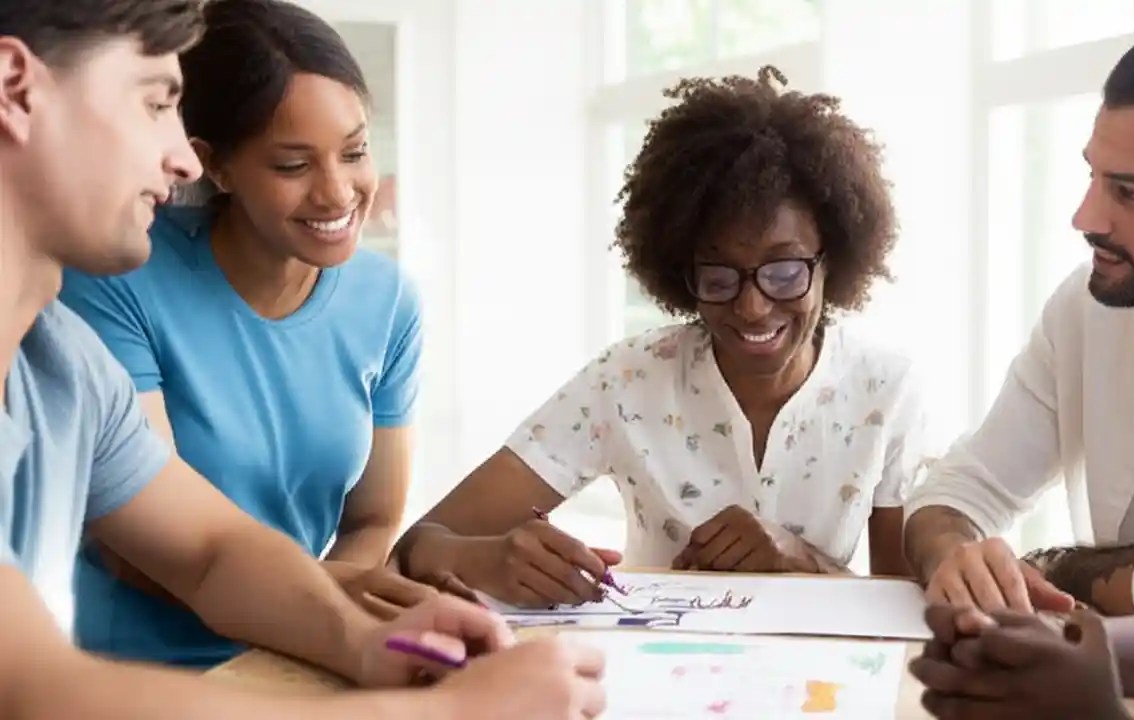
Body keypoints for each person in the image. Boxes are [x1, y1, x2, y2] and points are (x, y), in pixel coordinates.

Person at [0, 1, 603, 718]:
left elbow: (212, 550)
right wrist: (450, 712)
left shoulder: (63, 367)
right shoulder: (109, 318)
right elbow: (30, 689)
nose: (183, 158)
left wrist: (362, 640)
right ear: (15, 86)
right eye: (156, 101)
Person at [393, 66, 934, 608]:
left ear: (832, 260)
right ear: (681, 271)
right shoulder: (630, 379)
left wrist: (801, 560)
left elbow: (906, 611)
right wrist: (488, 559)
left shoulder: (884, 388)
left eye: (784, 272)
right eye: (719, 278)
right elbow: (416, 550)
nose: (751, 306)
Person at [909, 20, 1134, 720]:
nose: (1084, 216)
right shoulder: (1087, 305)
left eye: (1132, 192)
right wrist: (1048, 643)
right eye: (1092, 176)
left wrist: (1078, 671)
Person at [58, 0, 445, 669]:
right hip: (140, 673)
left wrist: (329, 629)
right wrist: (323, 616)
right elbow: (144, 550)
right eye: (293, 166)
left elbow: (372, 520)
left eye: (354, 152)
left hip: (304, 653)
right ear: (214, 165)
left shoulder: (388, 303)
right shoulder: (120, 274)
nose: (337, 193)